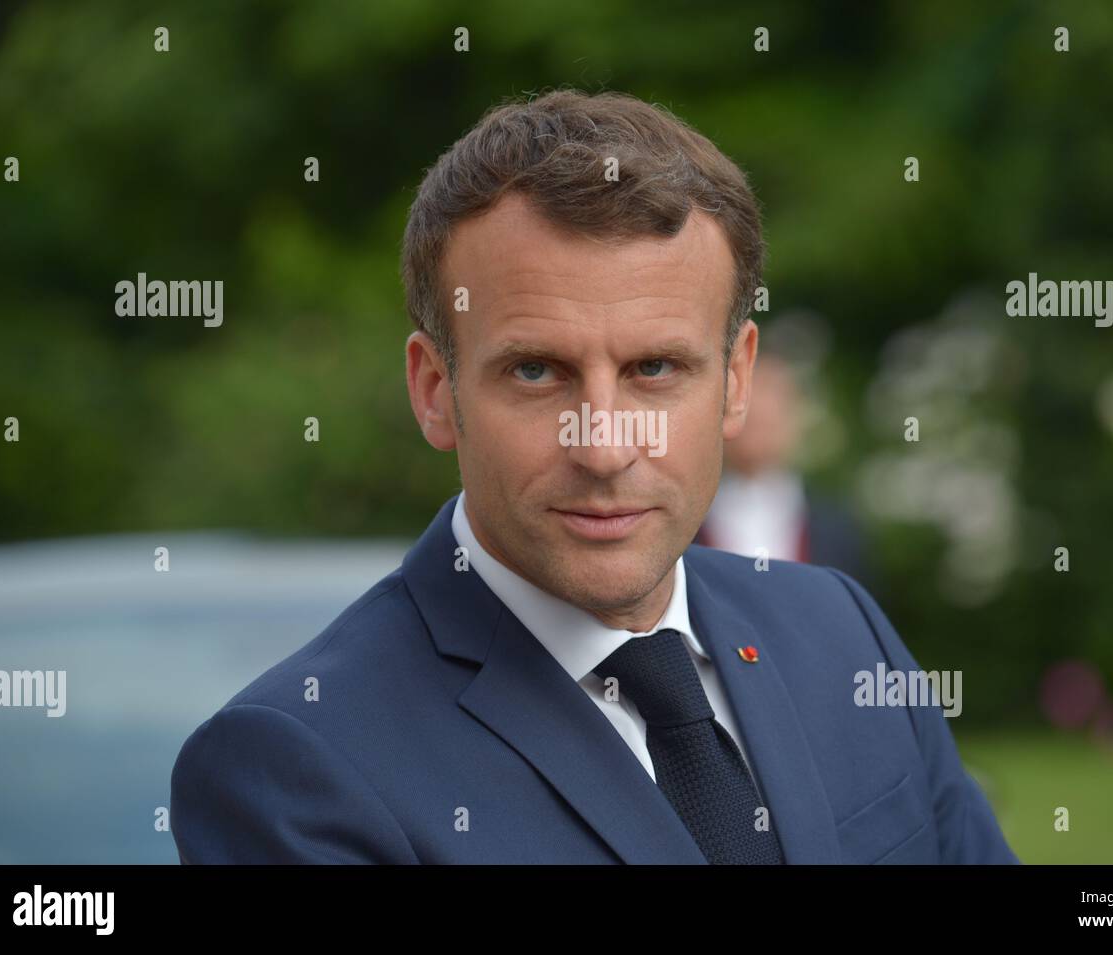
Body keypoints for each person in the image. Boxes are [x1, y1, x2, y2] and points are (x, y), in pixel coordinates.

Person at [170, 88, 1017, 864]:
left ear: (737, 379)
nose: (605, 445)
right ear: (435, 392)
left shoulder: (840, 632)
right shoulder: (296, 770)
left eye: (655, 367)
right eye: (537, 372)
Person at [695, 317, 873, 583]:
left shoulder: (838, 528)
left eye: (770, 417)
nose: (758, 417)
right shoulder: (689, 522)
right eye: (750, 417)